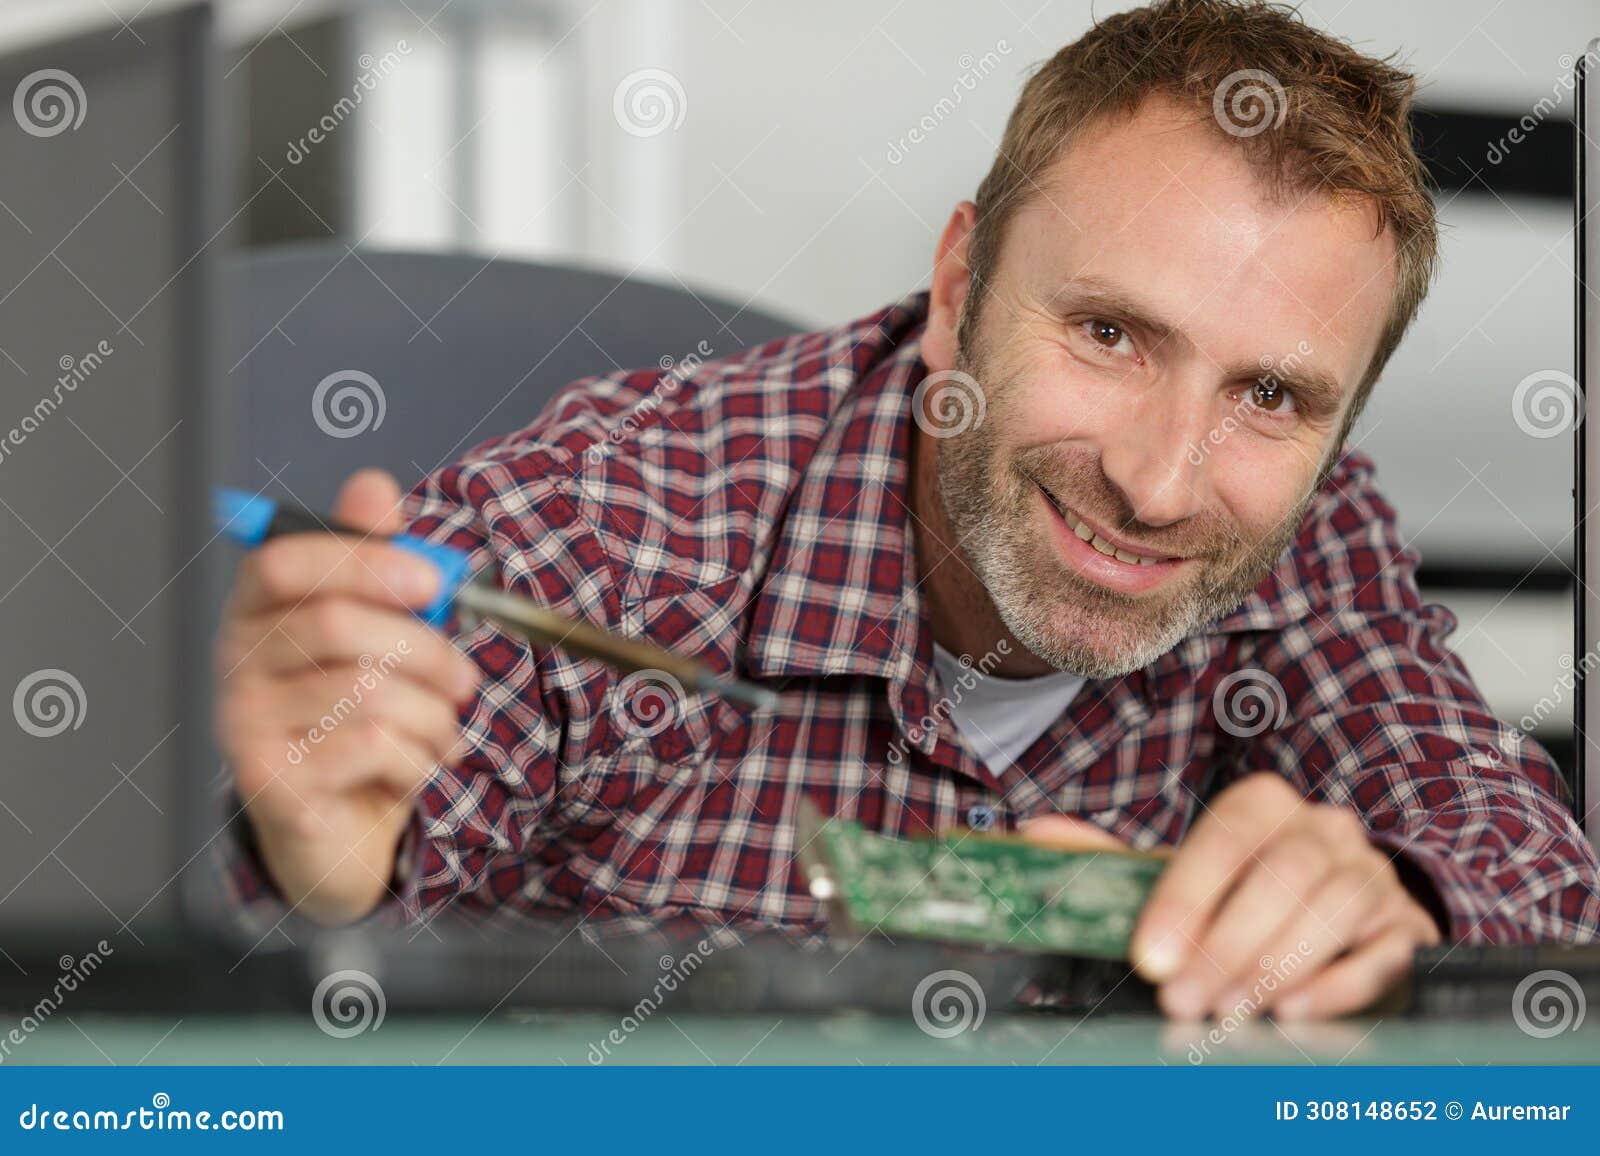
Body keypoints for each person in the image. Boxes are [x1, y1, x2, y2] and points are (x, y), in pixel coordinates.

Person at [216, 0, 1599, 1021]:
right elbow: (286, 951)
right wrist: (317, 877)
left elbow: (1528, 870)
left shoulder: (1304, 533)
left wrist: (1398, 908)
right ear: (956, 290)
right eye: (1110, 334)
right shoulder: (609, 527)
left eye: (1273, 396)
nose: (1164, 483)